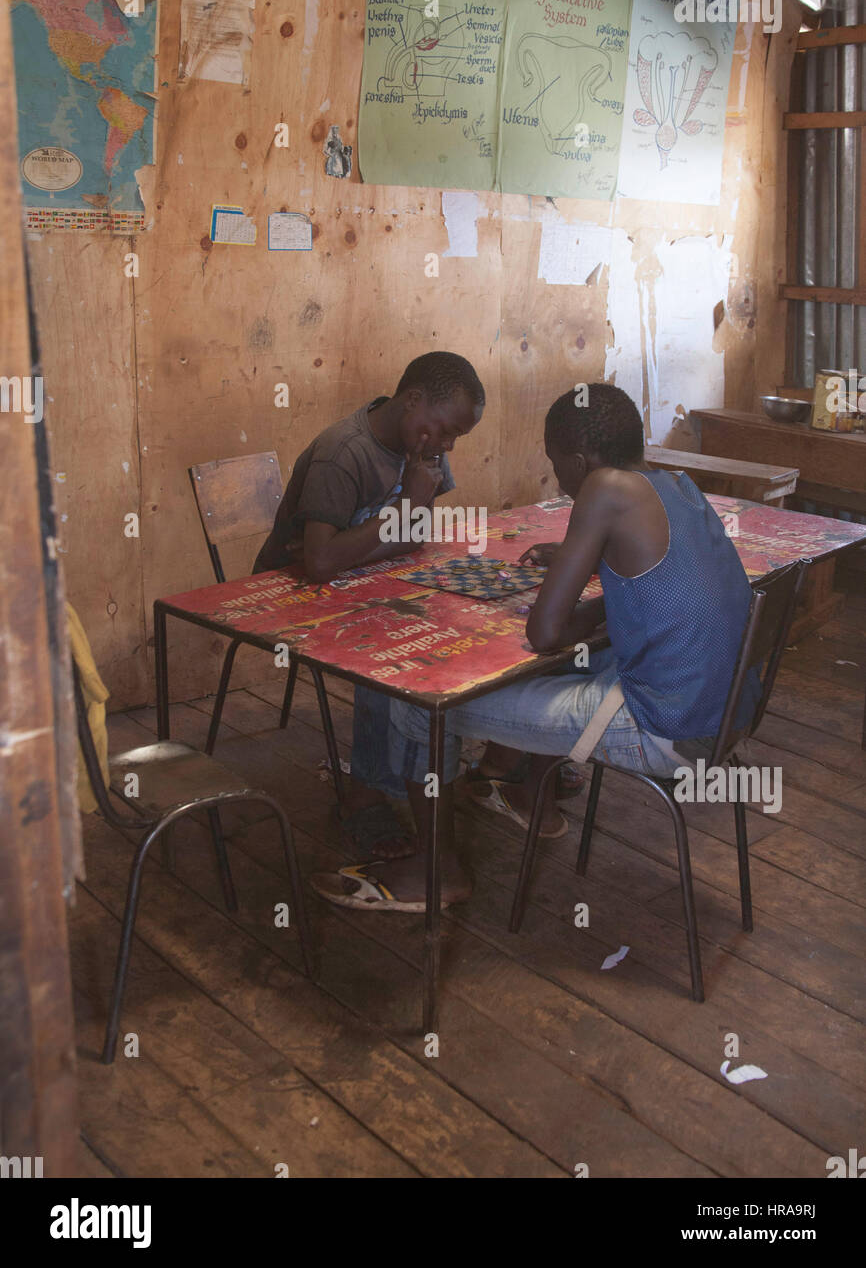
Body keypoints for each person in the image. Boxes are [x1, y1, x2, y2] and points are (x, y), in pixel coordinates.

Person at [311, 382, 760, 911]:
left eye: (555, 463)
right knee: (567, 662)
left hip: (664, 728)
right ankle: (527, 796)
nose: (559, 478)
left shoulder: (605, 488)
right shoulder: (679, 485)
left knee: (422, 705)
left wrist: (568, 596)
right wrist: (582, 582)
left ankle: (438, 874)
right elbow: (653, 592)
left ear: (578, 458)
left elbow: (543, 633)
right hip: (728, 716)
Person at [253, 351, 485, 858]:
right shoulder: (344, 451)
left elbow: (413, 539)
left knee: (448, 629)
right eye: (445, 431)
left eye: (455, 440)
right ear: (413, 400)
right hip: (287, 592)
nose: (446, 447)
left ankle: (420, 768)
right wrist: (400, 513)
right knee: (390, 657)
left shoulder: (423, 449)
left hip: (359, 577)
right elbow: (317, 563)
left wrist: (378, 535)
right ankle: (363, 795)